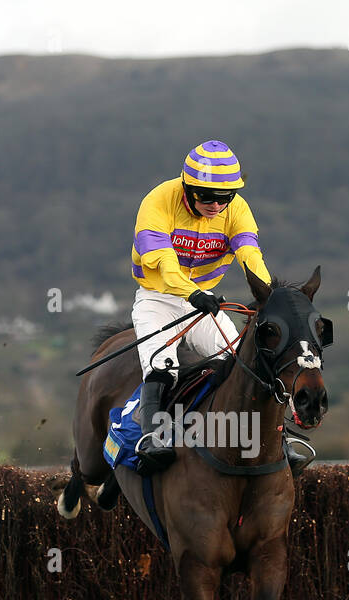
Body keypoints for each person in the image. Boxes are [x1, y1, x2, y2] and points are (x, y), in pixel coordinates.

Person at [128, 140, 308, 474]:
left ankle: (279, 441)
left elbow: (249, 254)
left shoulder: (237, 209)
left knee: (247, 362)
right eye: (206, 197)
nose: (216, 205)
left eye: (224, 198)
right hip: (158, 298)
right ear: (187, 187)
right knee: (161, 365)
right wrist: (191, 291)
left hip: (205, 301)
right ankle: (152, 437)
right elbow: (164, 262)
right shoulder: (158, 200)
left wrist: (270, 296)